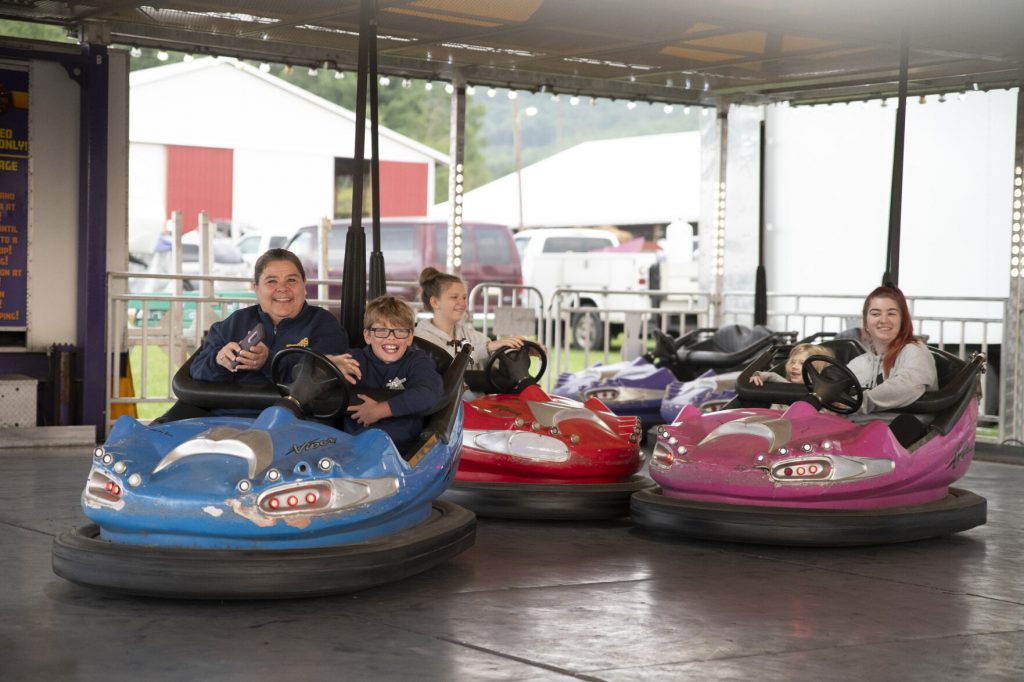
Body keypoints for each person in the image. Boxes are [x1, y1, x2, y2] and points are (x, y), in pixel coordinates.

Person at [155, 248, 358, 421]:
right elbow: (196, 372)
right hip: (223, 421)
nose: (282, 289)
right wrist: (220, 361)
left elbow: (320, 379)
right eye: (271, 281)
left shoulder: (323, 325)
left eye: (291, 280)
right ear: (255, 287)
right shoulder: (235, 323)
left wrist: (268, 362)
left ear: (304, 283)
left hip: (291, 424)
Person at [340, 296, 444, 453]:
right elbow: (316, 380)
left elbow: (430, 392)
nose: (391, 337)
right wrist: (333, 367)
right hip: (352, 445)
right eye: (381, 331)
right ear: (367, 336)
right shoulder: (352, 360)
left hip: (400, 449)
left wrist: (379, 410)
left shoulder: (417, 361)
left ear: (410, 338)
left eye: (400, 331)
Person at [846, 285, 937, 414]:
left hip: (905, 429)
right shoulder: (860, 363)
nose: (883, 320)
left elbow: (906, 386)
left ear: (902, 320)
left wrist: (856, 403)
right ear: (866, 322)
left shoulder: (914, 351)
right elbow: (837, 385)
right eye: (876, 314)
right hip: (862, 427)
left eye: (891, 313)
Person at [414, 267, 525, 367]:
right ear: (435, 302)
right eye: (454, 297)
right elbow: (447, 362)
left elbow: (495, 354)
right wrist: (487, 347)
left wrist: (517, 350)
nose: (462, 303)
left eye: (464, 297)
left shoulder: (468, 334)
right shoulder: (421, 338)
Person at [749, 343, 836, 386]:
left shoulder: (822, 394)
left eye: (802, 363)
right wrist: (758, 376)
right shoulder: (786, 385)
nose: (794, 366)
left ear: (818, 370)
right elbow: (772, 376)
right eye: (793, 362)